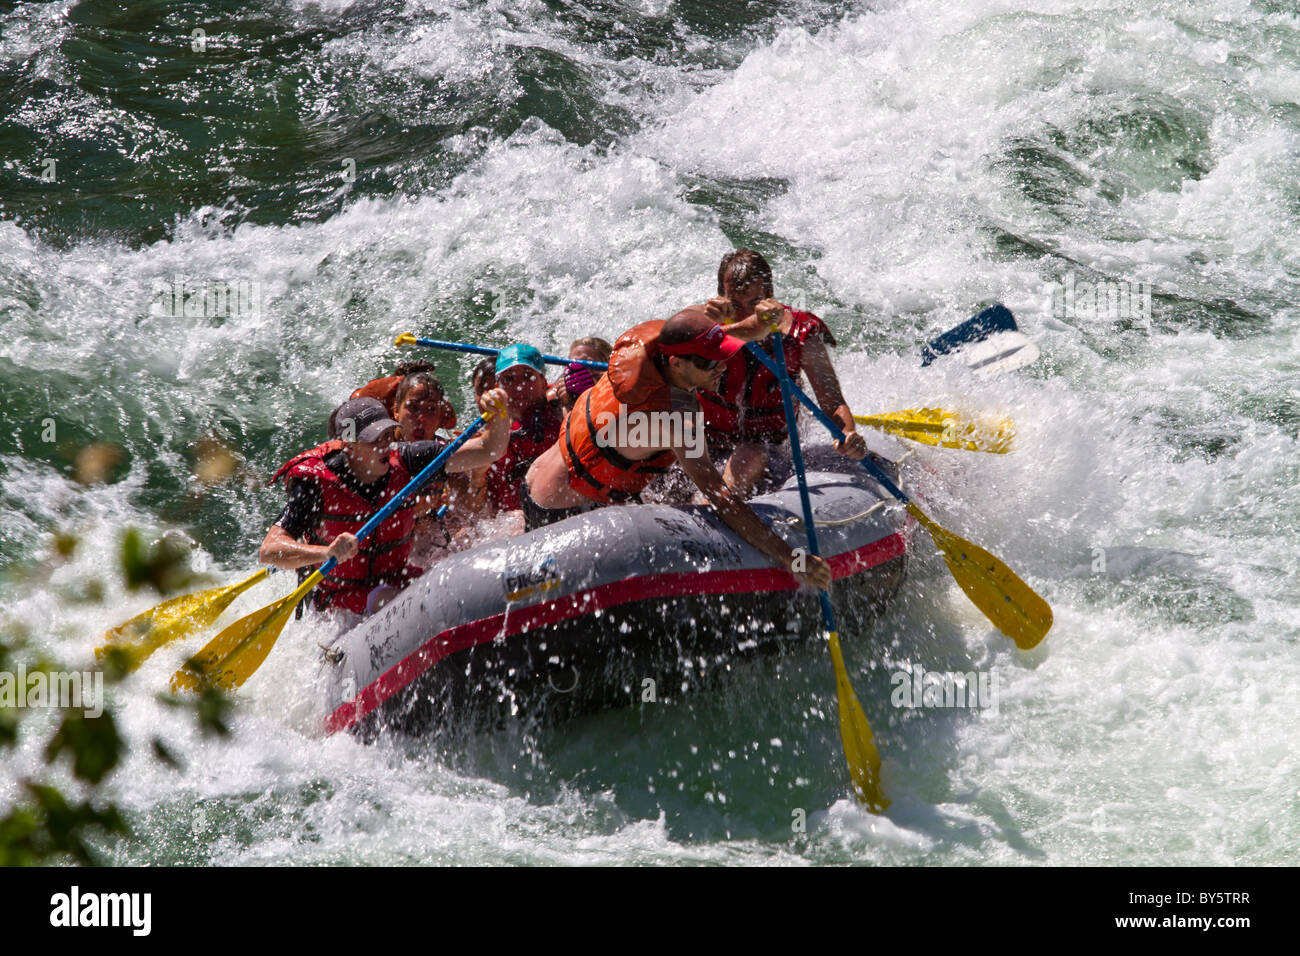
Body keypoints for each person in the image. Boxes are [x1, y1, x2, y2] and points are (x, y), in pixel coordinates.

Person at [523, 311, 832, 591]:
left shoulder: (649, 341)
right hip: (562, 513)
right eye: (711, 363)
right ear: (678, 364)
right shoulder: (675, 418)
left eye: (721, 358)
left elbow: (724, 335)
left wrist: (759, 324)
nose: (722, 367)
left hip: (536, 476)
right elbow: (721, 498)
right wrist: (793, 559)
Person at [259, 392, 509, 620]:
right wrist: (325, 554)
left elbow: (489, 450)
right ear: (348, 444)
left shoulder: (409, 460)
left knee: (446, 579)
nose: (383, 446)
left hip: (395, 582)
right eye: (372, 439)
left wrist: (499, 415)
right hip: (338, 603)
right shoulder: (315, 485)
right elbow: (269, 550)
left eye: (387, 436)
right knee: (388, 599)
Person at [697, 249, 867, 498]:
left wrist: (847, 434)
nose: (745, 312)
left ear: (771, 297)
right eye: (735, 305)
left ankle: (714, 508)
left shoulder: (801, 336)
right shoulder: (702, 326)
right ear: (720, 299)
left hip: (767, 449)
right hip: (704, 442)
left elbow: (832, 402)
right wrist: (712, 329)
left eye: (754, 303)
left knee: (751, 453)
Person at [484, 344, 566, 513]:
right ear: (498, 388)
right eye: (509, 379)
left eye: (528, 376)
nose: (519, 386)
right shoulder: (492, 432)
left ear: (543, 383)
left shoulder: (563, 409)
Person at [548, 337, 613, 412]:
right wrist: (567, 404)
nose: (577, 369)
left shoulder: (615, 392)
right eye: (573, 364)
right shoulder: (557, 392)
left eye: (587, 363)